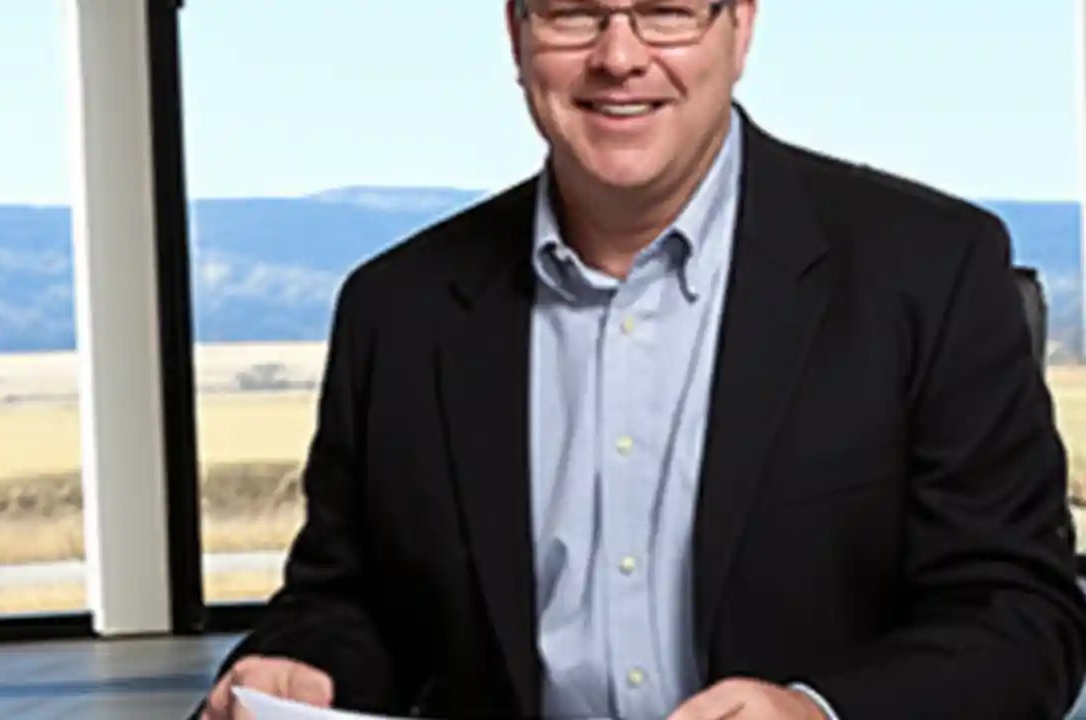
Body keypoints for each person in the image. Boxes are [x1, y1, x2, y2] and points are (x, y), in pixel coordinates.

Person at [199, 0, 1086, 718]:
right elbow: (349, 600)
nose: (619, 57)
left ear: (740, 28)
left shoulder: (927, 271)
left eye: (666, 12)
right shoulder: (399, 308)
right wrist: (300, 667)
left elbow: (1021, 619)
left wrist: (817, 712)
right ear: (517, 34)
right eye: (573, 14)